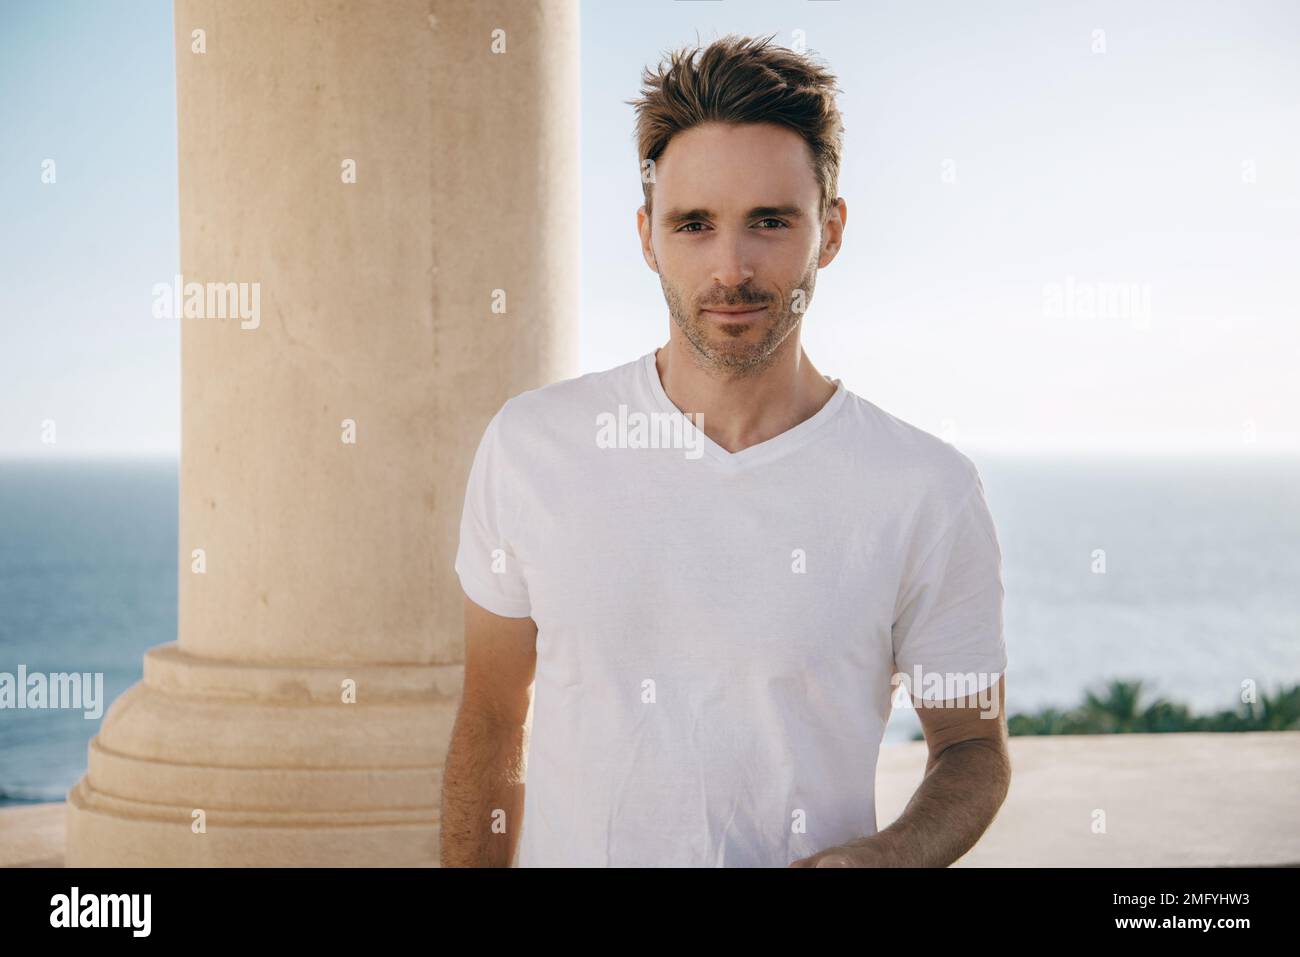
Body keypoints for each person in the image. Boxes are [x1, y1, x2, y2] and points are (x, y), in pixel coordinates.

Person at [440, 33, 1009, 868]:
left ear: (832, 230)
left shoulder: (927, 489)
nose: (730, 268)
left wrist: (891, 856)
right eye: (694, 224)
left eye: (770, 222)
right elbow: (492, 719)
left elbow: (972, 747)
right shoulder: (532, 444)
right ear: (647, 237)